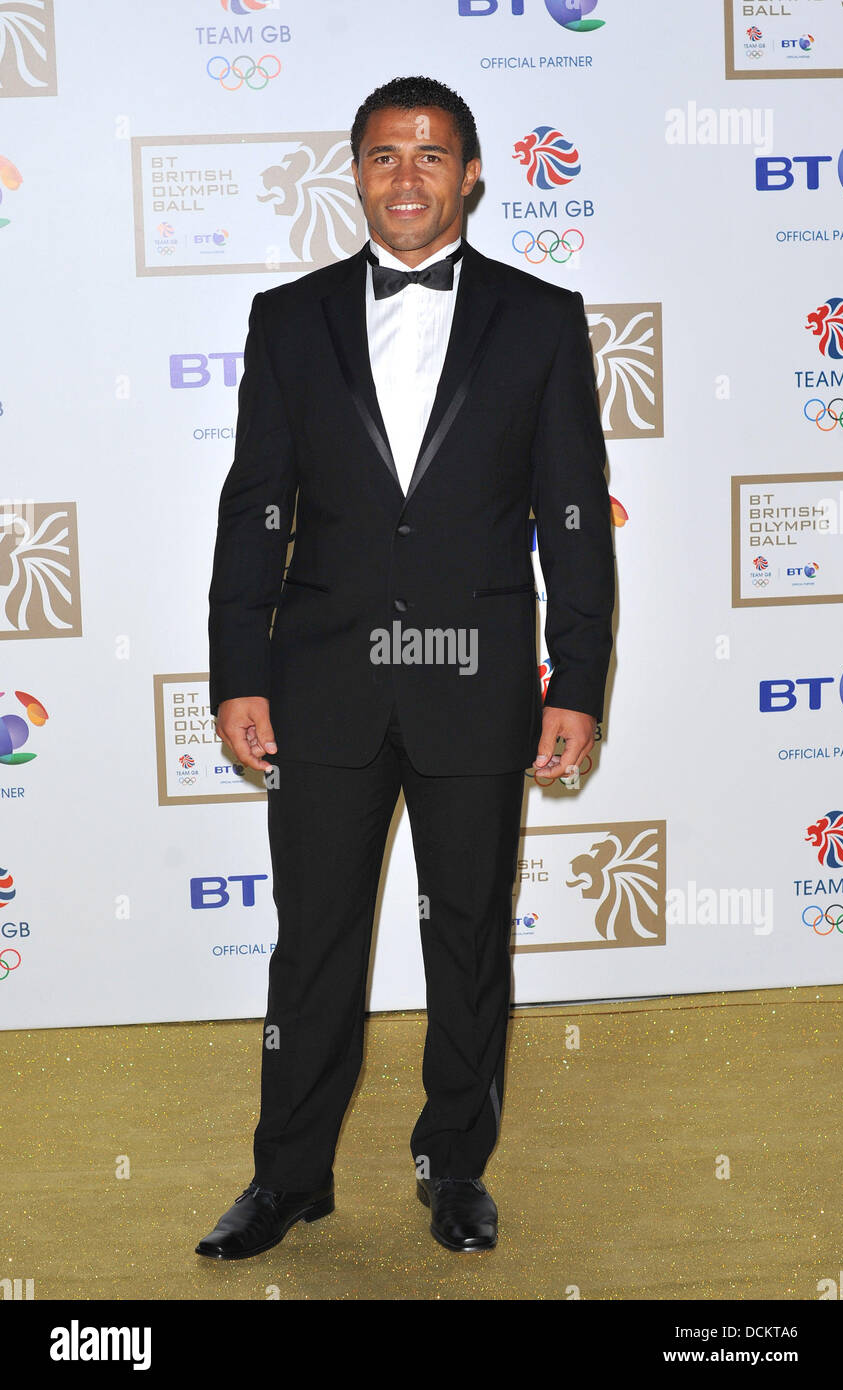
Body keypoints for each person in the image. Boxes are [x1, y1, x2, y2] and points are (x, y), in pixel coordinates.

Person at [196, 75, 615, 1260]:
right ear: (356, 173)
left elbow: (573, 511)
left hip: (477, 682)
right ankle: (287, 1179)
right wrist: (237, 669)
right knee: (313, 941)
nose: (407, 176)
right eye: (383, 156)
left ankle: (453, 1171)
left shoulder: (539, 318)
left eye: (431, 155)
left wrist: (574, 679)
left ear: (472, 173)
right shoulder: (290, 319)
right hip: (319, 681)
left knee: (469, 938)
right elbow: (252, 511)